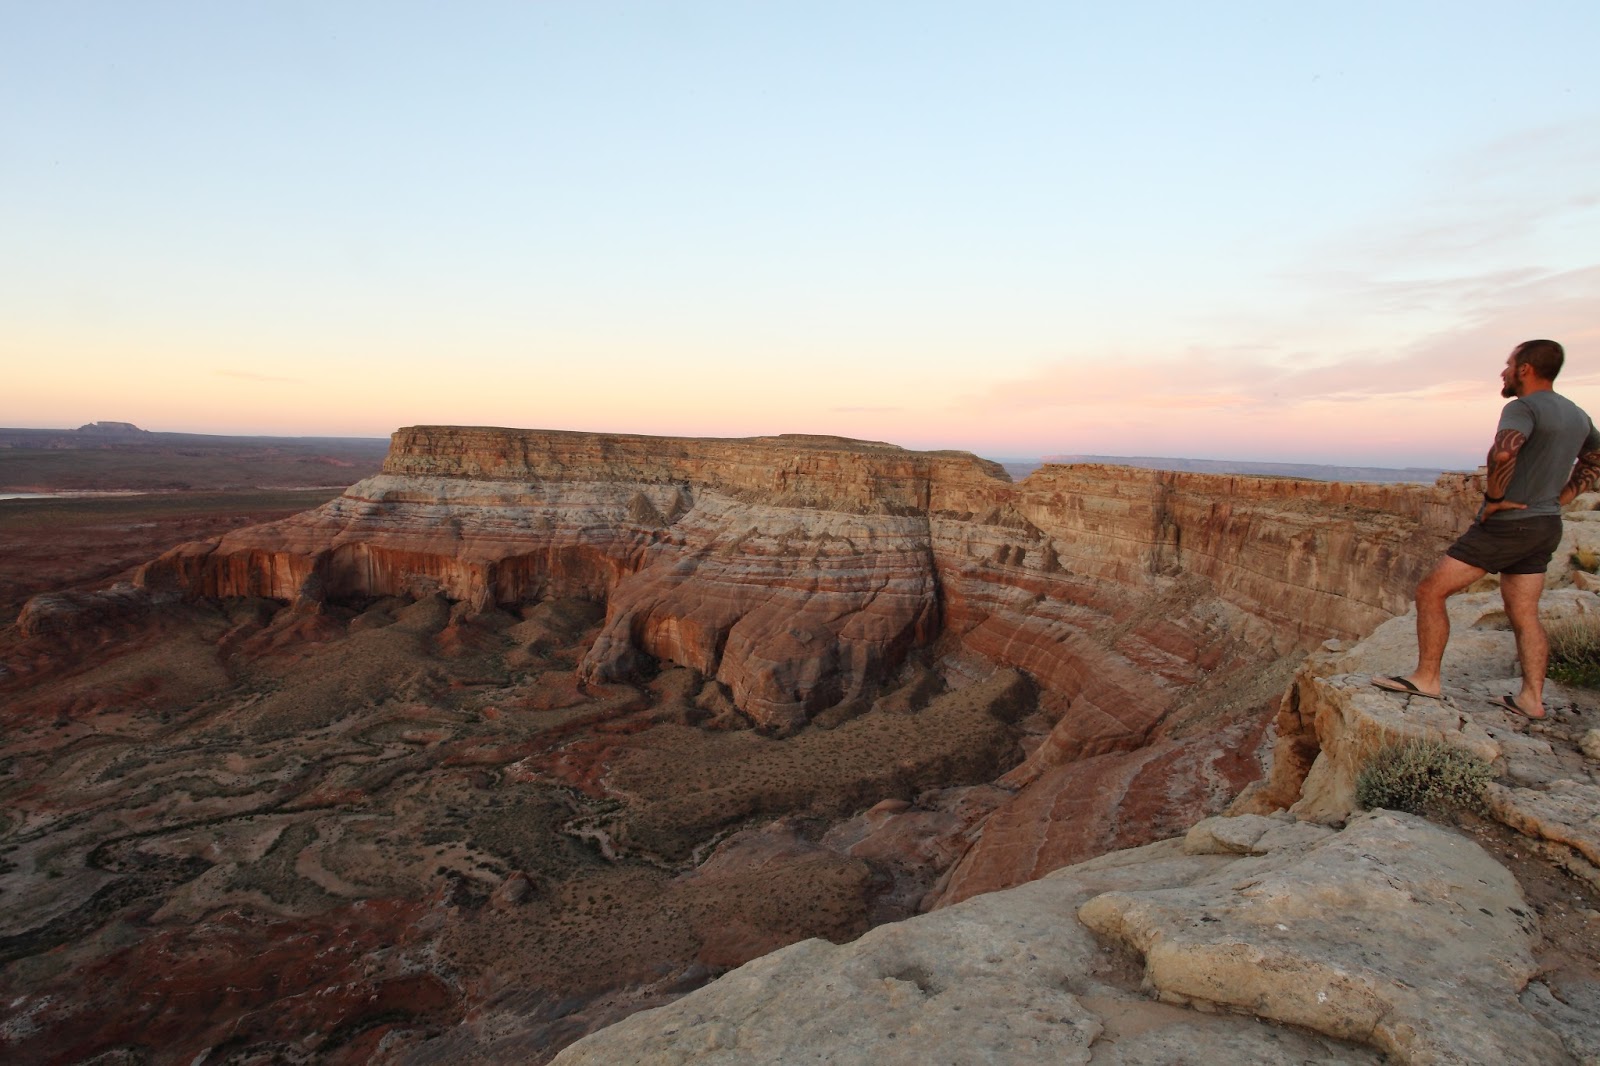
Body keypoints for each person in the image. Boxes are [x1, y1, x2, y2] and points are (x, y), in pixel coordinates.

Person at [1373, 339, 1600, 719]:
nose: (1503, 372)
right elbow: (1595, 456)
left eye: (1508, 364)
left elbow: (1505, 450)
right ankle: (1532, 699)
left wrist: (1495, 496)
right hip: (1546, 525)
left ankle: (1427, 678)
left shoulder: (1521, 407)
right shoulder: (1577, 415)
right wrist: (1567, 494)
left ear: (1525, 369)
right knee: (1524, 612)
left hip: (1508, 526)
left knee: (1430, 591)